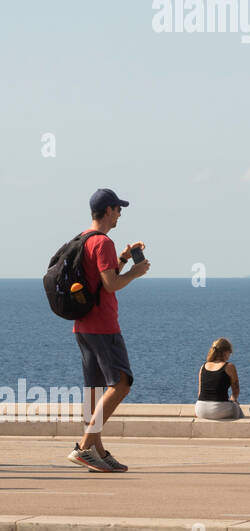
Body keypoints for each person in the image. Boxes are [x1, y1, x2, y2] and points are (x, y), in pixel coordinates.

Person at [68, 188, 149, 473]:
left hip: (83, 325)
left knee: (94, 390)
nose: (120, 213)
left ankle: (98, 453)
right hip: (103, 326)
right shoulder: (103, 242)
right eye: (118, 208)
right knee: (122, 382)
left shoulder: (84, 239)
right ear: (108, 210)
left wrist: (124, 259)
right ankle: (84, 446)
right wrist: (134, 273)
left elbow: (99, 278)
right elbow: (111, 284)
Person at [195, 338, 243, 419]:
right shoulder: (229, 367)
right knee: (237, 408)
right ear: (225, 352)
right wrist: (233, 400)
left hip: (200, 409)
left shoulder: (203, 367)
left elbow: (200, 393)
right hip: (218, 409)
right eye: (230, 351)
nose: (230, 354)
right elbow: (236, 391)